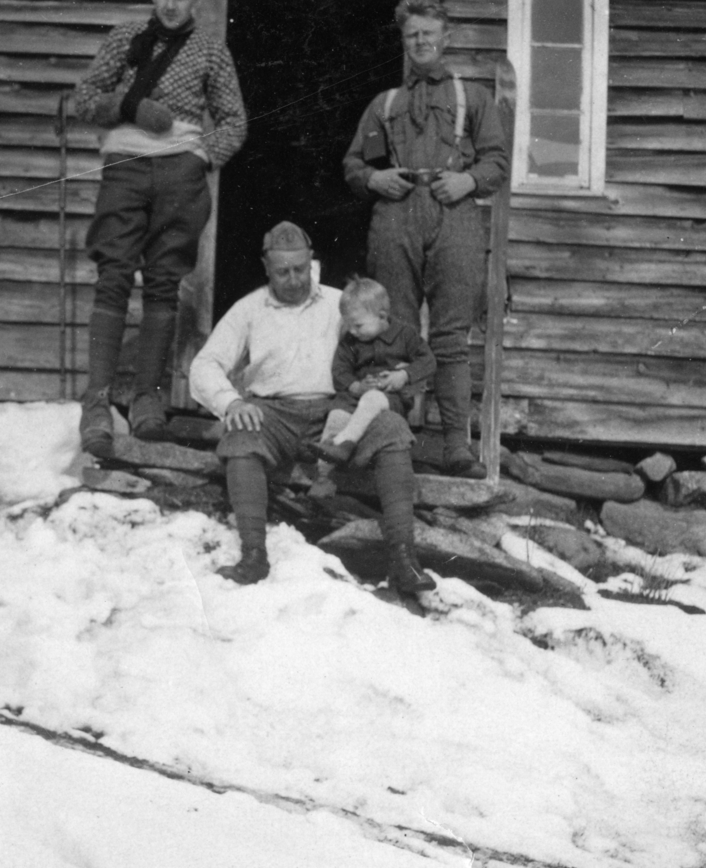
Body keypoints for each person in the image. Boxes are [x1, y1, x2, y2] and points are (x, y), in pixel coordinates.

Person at [189, 221, 436, 593]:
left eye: (300, 269)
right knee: (241, 434)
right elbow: (204, 365)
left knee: (391, 429)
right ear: (266, 268)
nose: (293, 279)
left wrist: (397, 372)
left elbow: (391, 338)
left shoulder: (342, 304)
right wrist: (232, 401)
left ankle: (404, 559)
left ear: (311, 262)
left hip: (336, 410)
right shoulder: (249, 309)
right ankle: (253, 556)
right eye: (282, 272)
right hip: (274, 414)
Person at [73, 0, 247, 457]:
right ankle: (96, 402)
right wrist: (131, 105)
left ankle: (148, 398)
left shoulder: (210, 51)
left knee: (164, 282)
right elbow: (85, 100)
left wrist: (201, 158)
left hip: (181, 176)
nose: (171, 5)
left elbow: (234, 120)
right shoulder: (124, 39)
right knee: (112, 275)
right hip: (125, 170)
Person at [343, 0, 508, 479]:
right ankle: (393, 443)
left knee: (451, 335)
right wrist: (376, 181)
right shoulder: (385, 104)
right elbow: (356, 164)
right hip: (396, 215)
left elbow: (496, 161)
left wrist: (469, 182)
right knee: (392, 331)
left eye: (429, 34)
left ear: (446, 37)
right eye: (412, 35)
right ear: (403, 39)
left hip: (453, 213)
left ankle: (456, 446)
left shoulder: (471, 99)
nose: (421, 42)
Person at [308, 276, 435, 466]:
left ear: (382, 316)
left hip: (391, 398)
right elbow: (340, 370)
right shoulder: (350, 342)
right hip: (354, 398)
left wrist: (404, 375)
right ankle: (324, 477)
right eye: (348, 325)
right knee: (337, 415)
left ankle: (344, 443)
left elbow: (428, 360)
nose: (352, 331)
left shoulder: (405, 335)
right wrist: (356, 386)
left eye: (358, 325)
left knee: (373, 398)